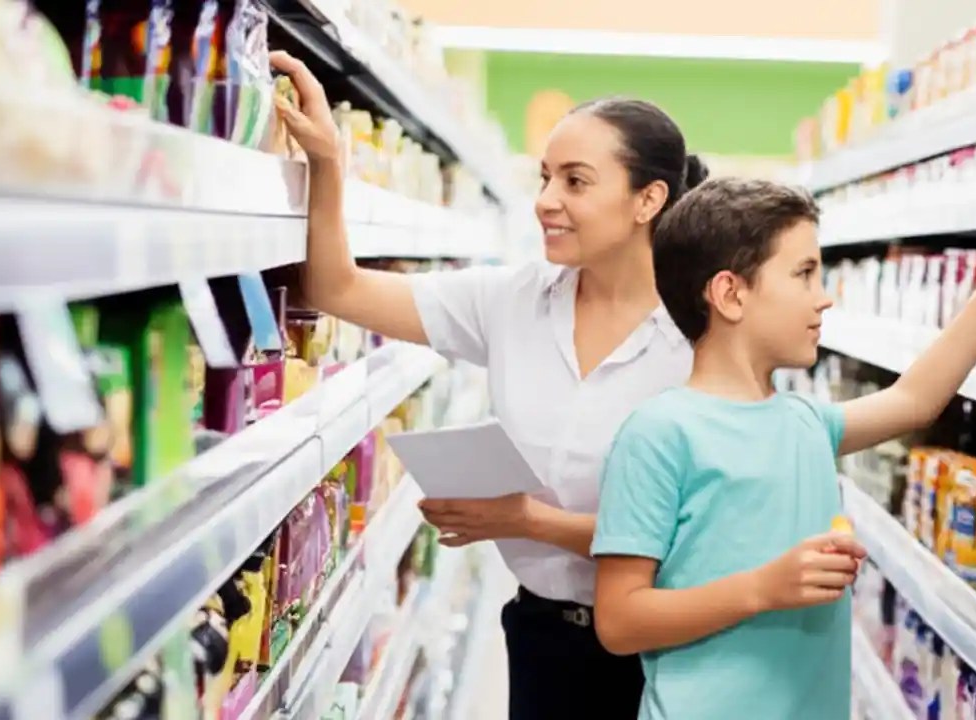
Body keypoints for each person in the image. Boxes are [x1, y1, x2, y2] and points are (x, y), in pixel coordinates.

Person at [268, 51, 706, 719]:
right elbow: (336, 288)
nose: (546, 202)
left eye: (576, 182)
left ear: (649, 199)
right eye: (545, 177)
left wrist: (530, 521)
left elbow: (706, 534)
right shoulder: (513, 301)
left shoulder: (702, 337)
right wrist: (328, 165)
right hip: (542, 643)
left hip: (671, 650)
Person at [591, 178, 976, 720]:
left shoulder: (805, 421)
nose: (825, 295)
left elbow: (915, 400)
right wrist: (761, 588)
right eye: (803, 274)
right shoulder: (659, 433)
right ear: (730, 294)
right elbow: (619, 620)